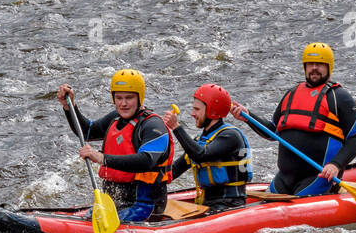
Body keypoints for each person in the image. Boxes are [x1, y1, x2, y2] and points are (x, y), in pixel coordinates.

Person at [230, 42, 356, 196]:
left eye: (320, 64)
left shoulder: (339, 97)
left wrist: (336, 165)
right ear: (304, 67)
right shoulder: (291, 95)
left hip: (319, 177)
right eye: (310, 64)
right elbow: (273, 132)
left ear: (329, 67)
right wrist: (248, 116)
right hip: (284, 177)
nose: (314, 68)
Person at [56, 68, 174, 222]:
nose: (123, 103)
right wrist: (69, 106)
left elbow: (146, 161)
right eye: (118, 98)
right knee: (88, 219)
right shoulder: (115, 118)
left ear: (140, 98)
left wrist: (101, 158)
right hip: (115, 203)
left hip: (145, 205)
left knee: (108, 224)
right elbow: (87, 132)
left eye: (129, 98)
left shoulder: (154, 126)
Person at [162, 83, 251, 215]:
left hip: (230, 204)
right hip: (207, 203)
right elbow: (173, 171)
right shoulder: (200, 140)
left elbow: (201, 155)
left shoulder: (230, 136)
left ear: (213, 111)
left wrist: (176, 127)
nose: (192, 114)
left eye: (197, 109)